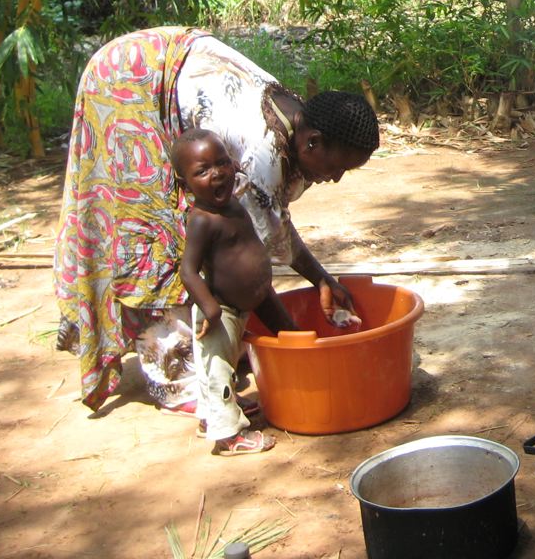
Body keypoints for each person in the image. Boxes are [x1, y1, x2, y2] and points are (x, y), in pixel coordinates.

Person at [54, 27, 380, 414]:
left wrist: (321, 279)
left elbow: (273, 223)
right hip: (130, 80)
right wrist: (299, 346)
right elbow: (249, 272)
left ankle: (220, 345)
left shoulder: (296, 123)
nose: (336, 178)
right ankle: (175, 377)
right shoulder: (260, 152)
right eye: (337, 167)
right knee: (159, 231)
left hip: (167, 62)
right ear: (312, 143)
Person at [175, 128, 293, 455]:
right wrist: (210, 309)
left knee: (289, 337)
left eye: (222, 163)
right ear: (185, 186)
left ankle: (209, 417)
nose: (218, 174)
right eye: (203, 171)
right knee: (217, 369)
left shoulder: (232, 203)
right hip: (220, 310)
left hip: (251, 300)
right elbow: (188, 271)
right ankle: (229, 437)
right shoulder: (203, 220)